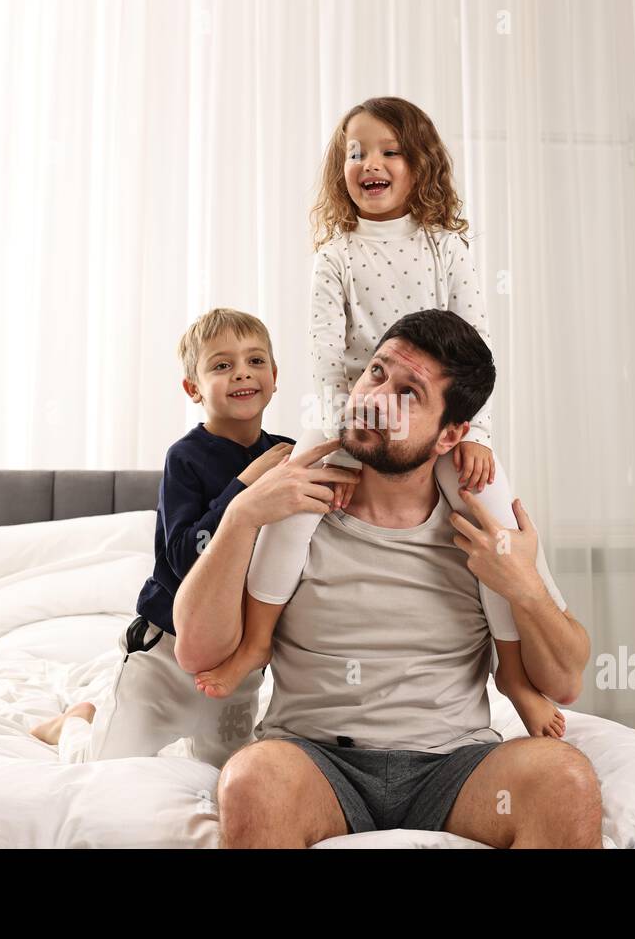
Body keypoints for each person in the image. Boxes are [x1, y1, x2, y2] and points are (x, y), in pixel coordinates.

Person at [197, 97, 566, 740]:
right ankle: (256, 643)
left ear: (420, 165)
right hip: (347, 412)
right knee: (291, 512)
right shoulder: (335, 255)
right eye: (355, 152)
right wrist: (342, 425)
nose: (370, 163)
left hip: (435, 421)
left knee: (496, 529)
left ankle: (514, 677)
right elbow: (322, 349)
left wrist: (474, 435)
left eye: (389, 150)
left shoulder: (446, 248)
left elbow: (474, 341)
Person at [175, 309, 601, 848]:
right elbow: (198, 651)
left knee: (566, 777)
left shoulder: (481, 525)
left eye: (409, 393)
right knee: (252, 779)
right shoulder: (294, 507)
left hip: (457, 766)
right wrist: (239, 516)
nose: (377, 399)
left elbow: (565, 681)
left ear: (452, 435)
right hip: (316, 762)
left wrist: (525, 587)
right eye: (376, 374)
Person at [28, 308, 349, 770]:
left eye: (255, 361)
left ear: (275, 377)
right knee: (100, 766)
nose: (242, 371)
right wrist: (246, 486)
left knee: (226, 771)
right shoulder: (185, 458)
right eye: (221, 365)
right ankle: (76, 721)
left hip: (237, 663)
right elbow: (184, 556)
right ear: (193, 388)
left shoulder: (287, 455)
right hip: (163, 655)